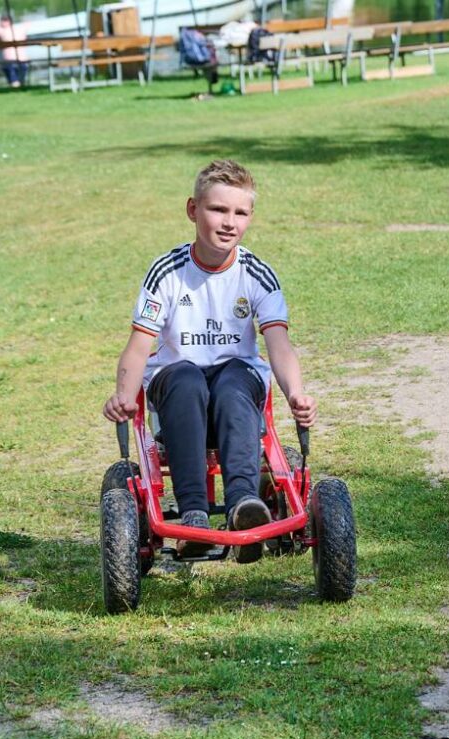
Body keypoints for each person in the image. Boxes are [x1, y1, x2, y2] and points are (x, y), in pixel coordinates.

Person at [103, 160, 316, 555]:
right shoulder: (167, 272)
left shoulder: (256, 274)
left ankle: (244, 504)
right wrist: (124, 396)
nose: (229, 222)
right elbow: (139, 344)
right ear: (192, 210)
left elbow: (279, 345)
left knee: (235, 379)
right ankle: (193, 514)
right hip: (179, 394)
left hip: (236, 394)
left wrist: (297, 394)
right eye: (218, 209)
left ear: (250, 217)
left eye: (240, 213)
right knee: (185, 378)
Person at [0, 15, 29, 88]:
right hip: (22, 58)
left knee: (7, 67)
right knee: (20, 68)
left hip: (9, 59)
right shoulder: (20, 29)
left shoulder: (3, 31)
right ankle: (19, 83)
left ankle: (15, 83)